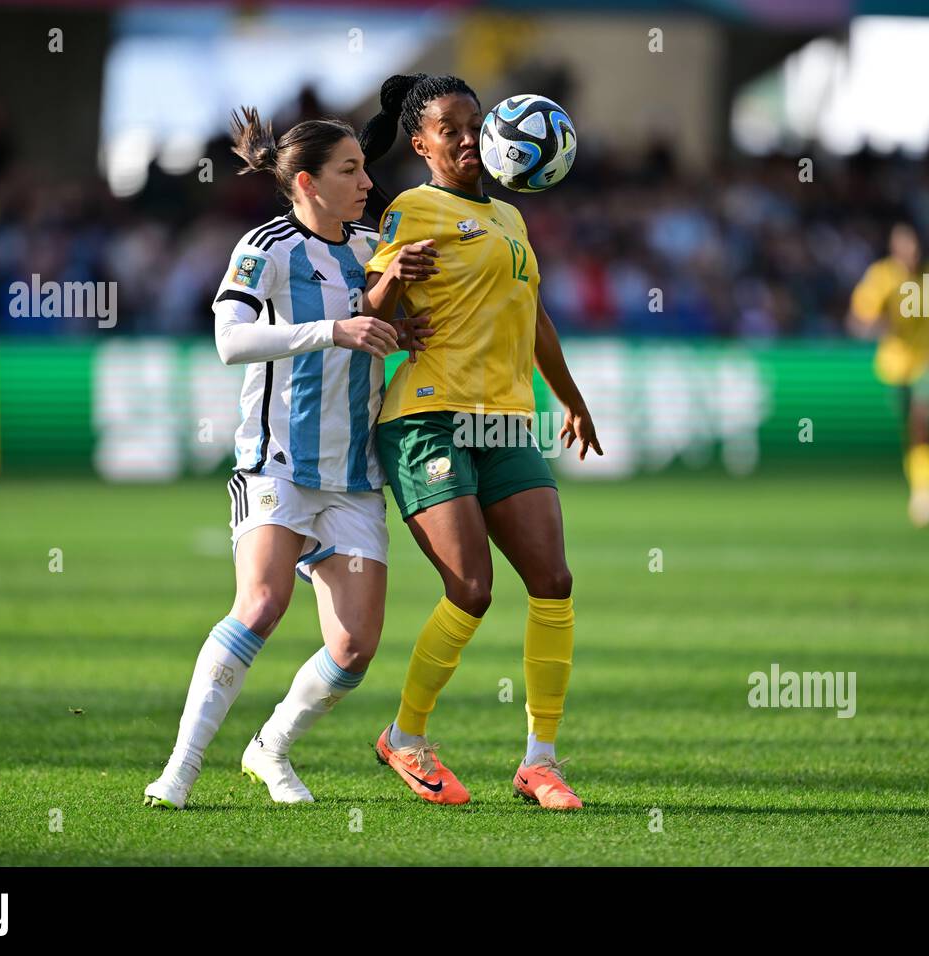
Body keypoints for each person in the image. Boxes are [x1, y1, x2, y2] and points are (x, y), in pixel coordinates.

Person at [143, 108, 431, 809]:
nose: (368, 181)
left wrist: (402, 327)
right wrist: (333, 328)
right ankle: (181, 769)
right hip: (276, 461)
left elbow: (380, 318)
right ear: (306, 182)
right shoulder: (265, 247)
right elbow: (230, 341)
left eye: (365, 166)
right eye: (350, 170)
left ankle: (269, 747)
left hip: (355, 477)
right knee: (262, 603)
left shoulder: (372, 244)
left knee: (355, 649)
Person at [358, 73, 602, 810]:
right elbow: (370, 315)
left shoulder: (511, 220)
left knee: (553, 582)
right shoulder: (410, 208)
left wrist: (572, 400)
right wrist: (391, 280)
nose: (467, 140)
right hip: (428, 416)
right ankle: (405, 736)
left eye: (475, 126)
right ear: (422, 142)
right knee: (470, 589)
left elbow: (534, 319)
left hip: (505, 422)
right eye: (450, 130)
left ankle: (540, 760)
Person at [849, 221, 929, 527]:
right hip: (895, 366)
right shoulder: (881, 278)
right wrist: (881, 320)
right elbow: (859, 321)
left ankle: (926, 493)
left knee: (922, 420)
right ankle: (920, 485)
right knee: (913, 432)